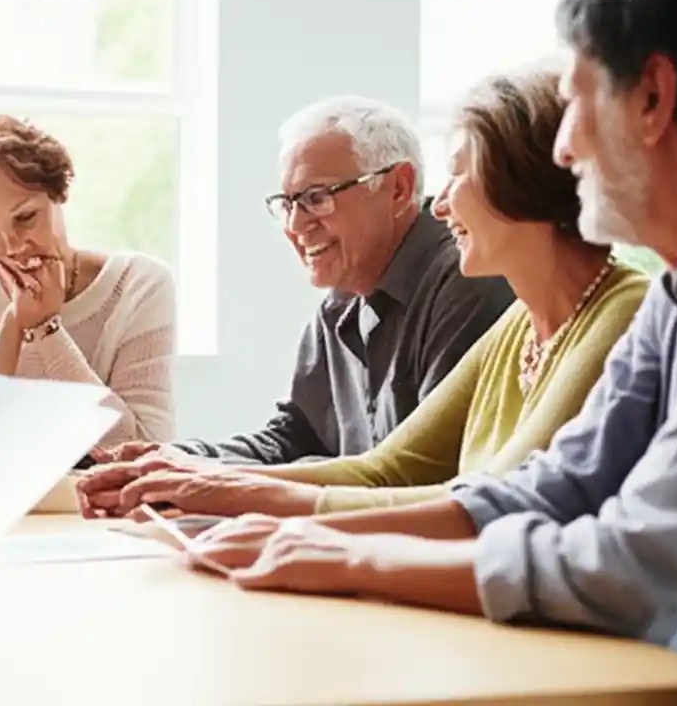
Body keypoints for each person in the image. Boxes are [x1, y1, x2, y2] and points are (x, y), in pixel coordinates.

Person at [180, 0, 677, 655]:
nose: (564, 152)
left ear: (653, 98)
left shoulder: (618, 303)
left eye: (575, 101)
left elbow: (632, 559)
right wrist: (305, 529)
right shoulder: (672, 298)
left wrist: (354, 558)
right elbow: (548, 489)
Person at [83, 71, 649, 518]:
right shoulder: (518, 322)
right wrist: (193, 472)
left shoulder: (582, 307)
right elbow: (378, 466)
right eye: (289, 203)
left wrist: (233, 497)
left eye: (317, 198)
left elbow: (480, 501)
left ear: (522, 183)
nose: (442, 202)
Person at [76, 96, 516, 509]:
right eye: (287, 203)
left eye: (316, 198)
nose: (295, 224)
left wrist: (211, 482)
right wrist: (174, 458)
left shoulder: (468, 281)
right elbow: (294, 439)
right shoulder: (339, 303)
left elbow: (418, 474)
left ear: (398, 188)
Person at [0, 115, 176, 447]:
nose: (13, 247)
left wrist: (47, 330)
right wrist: (15, 324)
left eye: (26, 217)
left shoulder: (140, 285)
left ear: (58, 193)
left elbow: (145, 447)